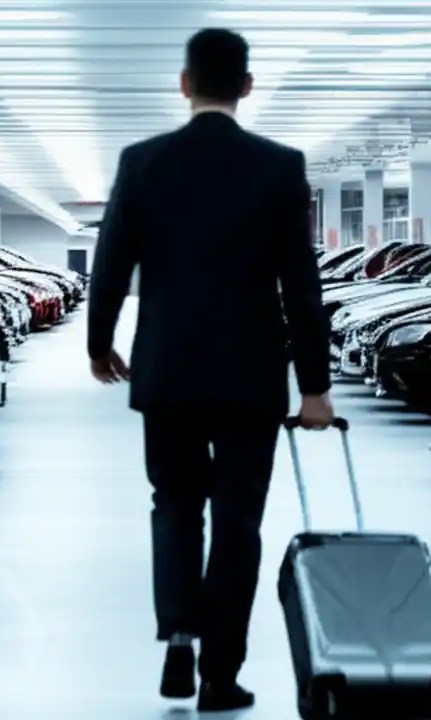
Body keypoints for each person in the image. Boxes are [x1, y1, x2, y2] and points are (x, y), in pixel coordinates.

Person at [86, 27, 335, 714]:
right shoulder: (281, 167)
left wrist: (99, 341)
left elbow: (110, 263)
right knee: (237, 526)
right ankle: (220, 676)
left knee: (173, 505)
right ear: (247, 88)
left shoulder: (143, 162)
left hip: (166, 372)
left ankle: (178, 635)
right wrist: (313, 387)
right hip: (251, 379)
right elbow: (301, 286)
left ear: (184, 84)